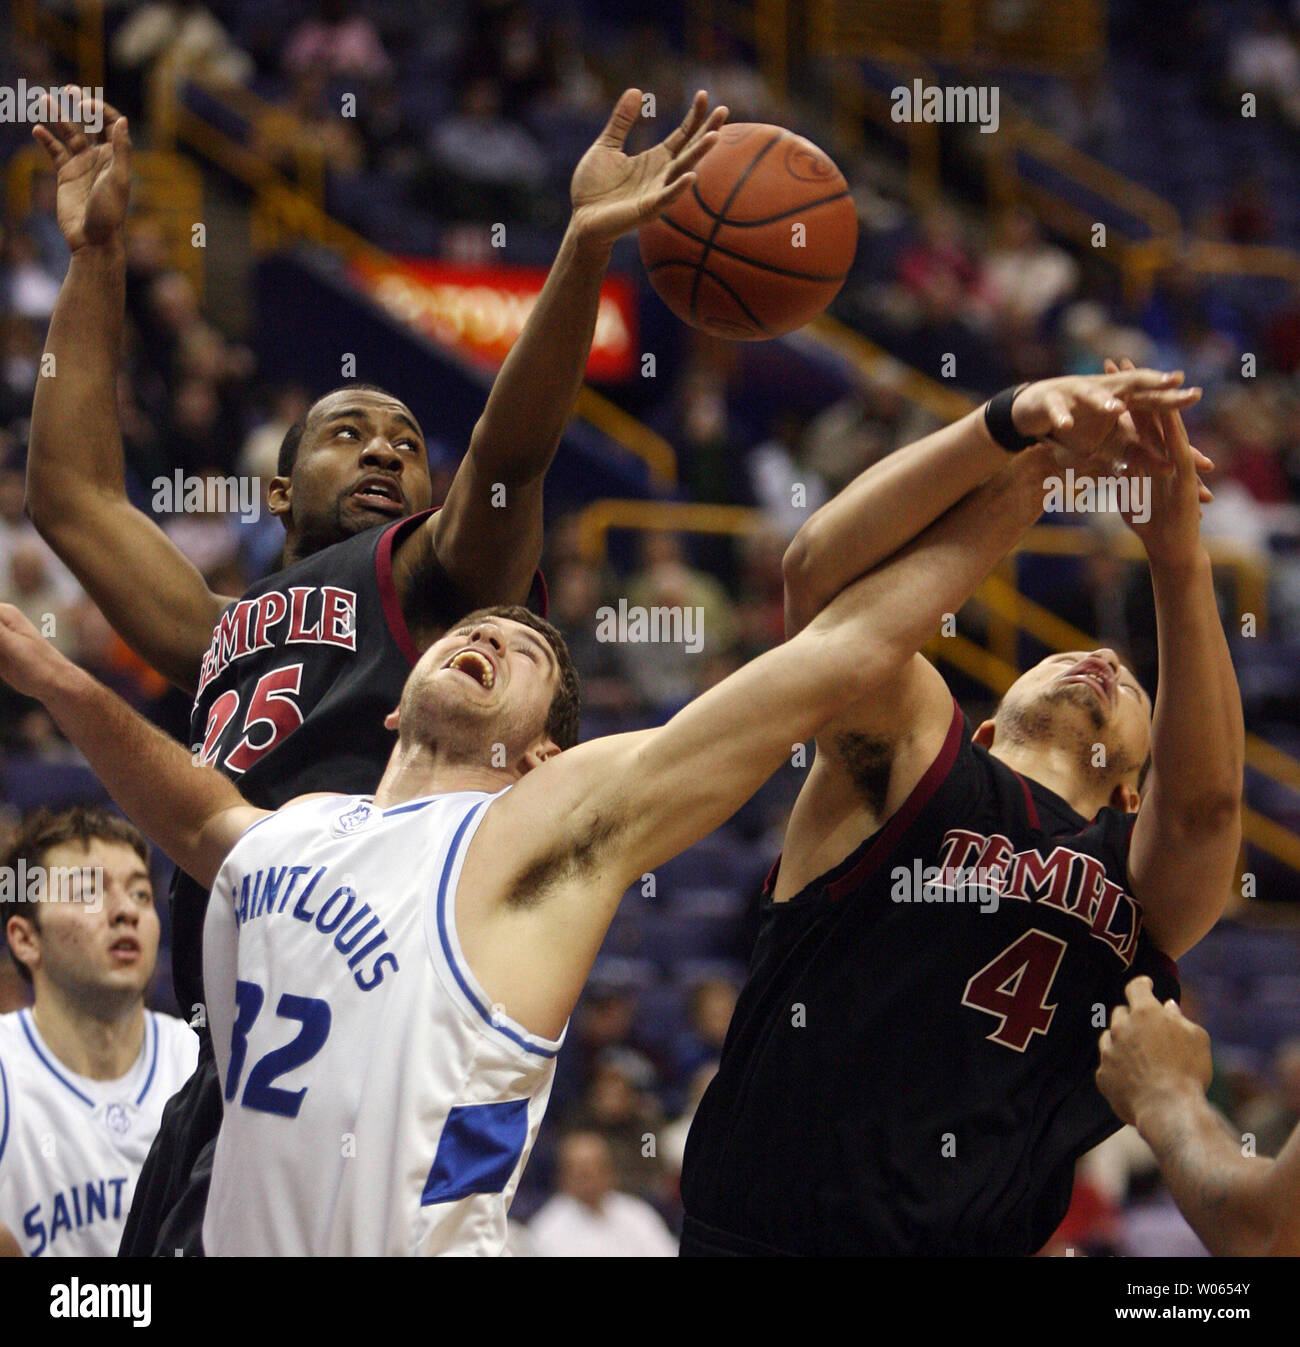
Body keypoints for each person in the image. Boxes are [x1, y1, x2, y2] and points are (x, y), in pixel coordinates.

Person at [0, 372, 1157, 1252]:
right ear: (395, 708)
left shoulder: (547, 830)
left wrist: (1027, 468)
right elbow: (186, 801)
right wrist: (53, 678)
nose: (487, 632)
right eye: (468, 632)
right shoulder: (292, 830)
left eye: (522, 650)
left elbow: (845, 642)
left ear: (543, 751)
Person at [25, 85, 727, 1257]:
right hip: (232, 1057)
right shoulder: (222, 626)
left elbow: (509, 456)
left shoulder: (433, 578)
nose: (388, 454)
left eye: (408, 443)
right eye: (349, 433)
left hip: (365, 1017)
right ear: (274, 488)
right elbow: (74, 496)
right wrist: (94, 255)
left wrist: (582, 246)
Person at [680, 366, 1244, 1256]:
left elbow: (1208, 807)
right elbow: (819, 577)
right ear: (982, 729)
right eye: (1072, 654)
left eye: (1129, 680)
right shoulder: (920, 760)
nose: (1100, 655)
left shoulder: (1143, 879)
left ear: (1134, 789)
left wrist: (1178, 552)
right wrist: (1019, 436)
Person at [0, 808, 198, 1256]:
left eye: (141, 894)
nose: (126, 911)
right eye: (90, 892)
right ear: (25, 939)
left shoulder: (200, 1062)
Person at [1096, 975, 1300, 1256]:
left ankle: (1100, 1219)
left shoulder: (1208, 1055)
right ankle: (1099, 1213)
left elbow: (1268, 1230)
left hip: (1171, 1120)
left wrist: (1163, 1090)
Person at [529, 1131, 676, 1257]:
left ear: (610, 1171)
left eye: (597, 1168)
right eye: (581, 1172)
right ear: (563, 1176)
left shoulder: (637, 1213)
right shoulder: (547, 1227)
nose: (590, 1178)